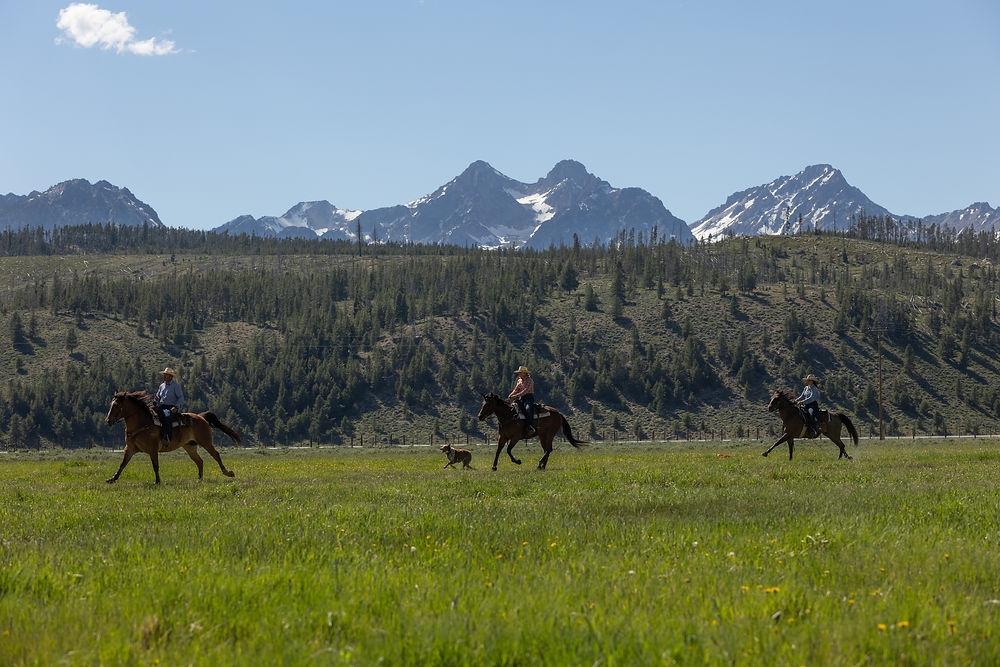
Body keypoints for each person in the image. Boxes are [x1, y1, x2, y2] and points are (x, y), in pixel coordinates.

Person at [155, 367, 184, 445]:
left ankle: (168, 437)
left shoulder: (175, 386)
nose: (164, 376)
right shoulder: (161, 386)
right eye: (164, 375)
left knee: (167, 417)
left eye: (166, 375)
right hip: (162, 405)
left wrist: (176, 407)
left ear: (171, 377)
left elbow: (181, 397)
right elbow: (158, 396)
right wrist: (156, 398)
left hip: (171, 407)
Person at [508, 365, 536, 438]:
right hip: (522, 398)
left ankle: (531, 426)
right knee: (513, 408)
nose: (519, 374)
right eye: (519, 373)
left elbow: (525, 391)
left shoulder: (530, 380)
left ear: (525, 373)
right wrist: (511, 395)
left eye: (521, 372)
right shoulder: (519, 380)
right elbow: (516, 389)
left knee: (528, 409)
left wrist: (516, 395)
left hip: (529, 397)